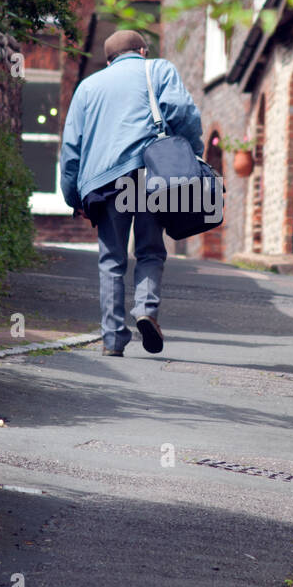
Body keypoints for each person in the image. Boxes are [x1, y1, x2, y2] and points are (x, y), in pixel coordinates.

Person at [60, 29, 203, 356]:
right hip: (150, 174)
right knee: (151, 250)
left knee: (111, 259)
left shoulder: (87, 87)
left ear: (108, 60)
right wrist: (192, 155)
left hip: (105, 183)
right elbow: (184, 112)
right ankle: (145, 310)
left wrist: (72, 196)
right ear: (141, 50)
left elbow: (71, 149)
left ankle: (112, 339)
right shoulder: (158, 69)